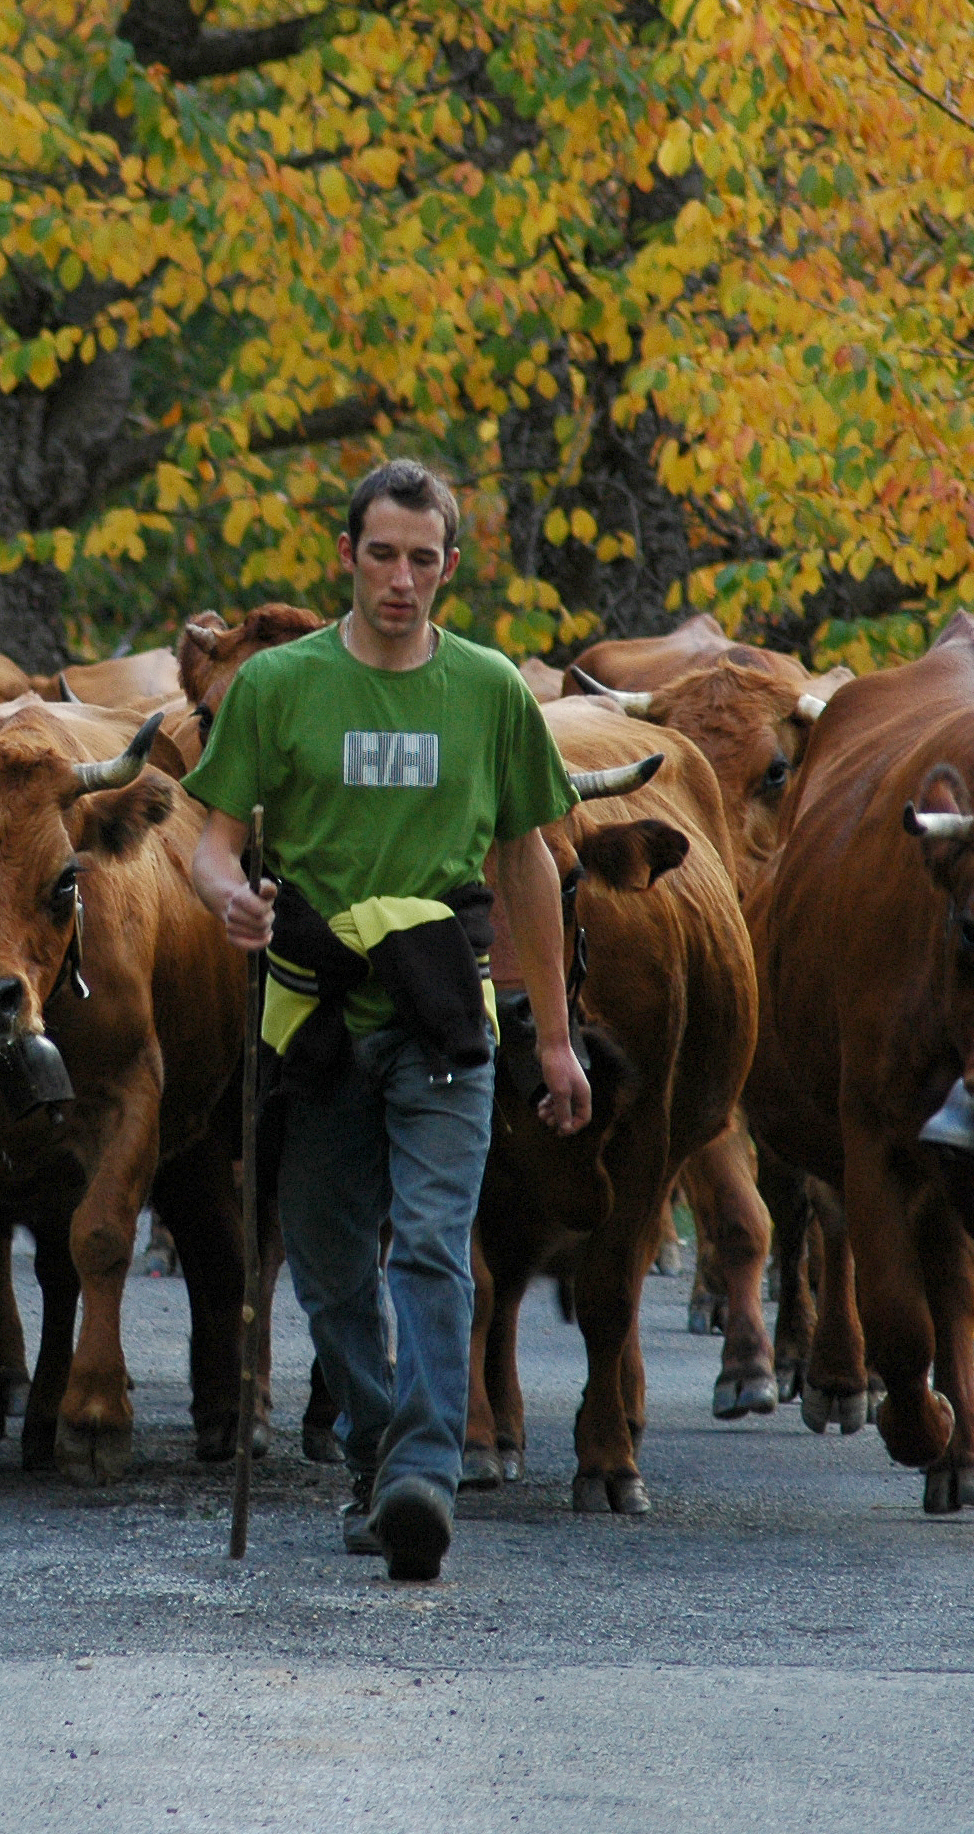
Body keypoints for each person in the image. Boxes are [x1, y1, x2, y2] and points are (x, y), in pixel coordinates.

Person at [184, 460, 588, 1583]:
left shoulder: (490, 689)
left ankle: (421, 1472)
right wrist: (226, 897)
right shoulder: (278, 685)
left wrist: (555, 1037)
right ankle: (377, 1451)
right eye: (381, 555)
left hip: (443, 1012)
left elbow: (527, 860)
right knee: (326, 1268)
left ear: (449, 566)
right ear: (346, 557)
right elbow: (211, 841)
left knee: (429, 1241)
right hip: (313, 1014)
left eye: (421, 559)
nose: (400, 579)